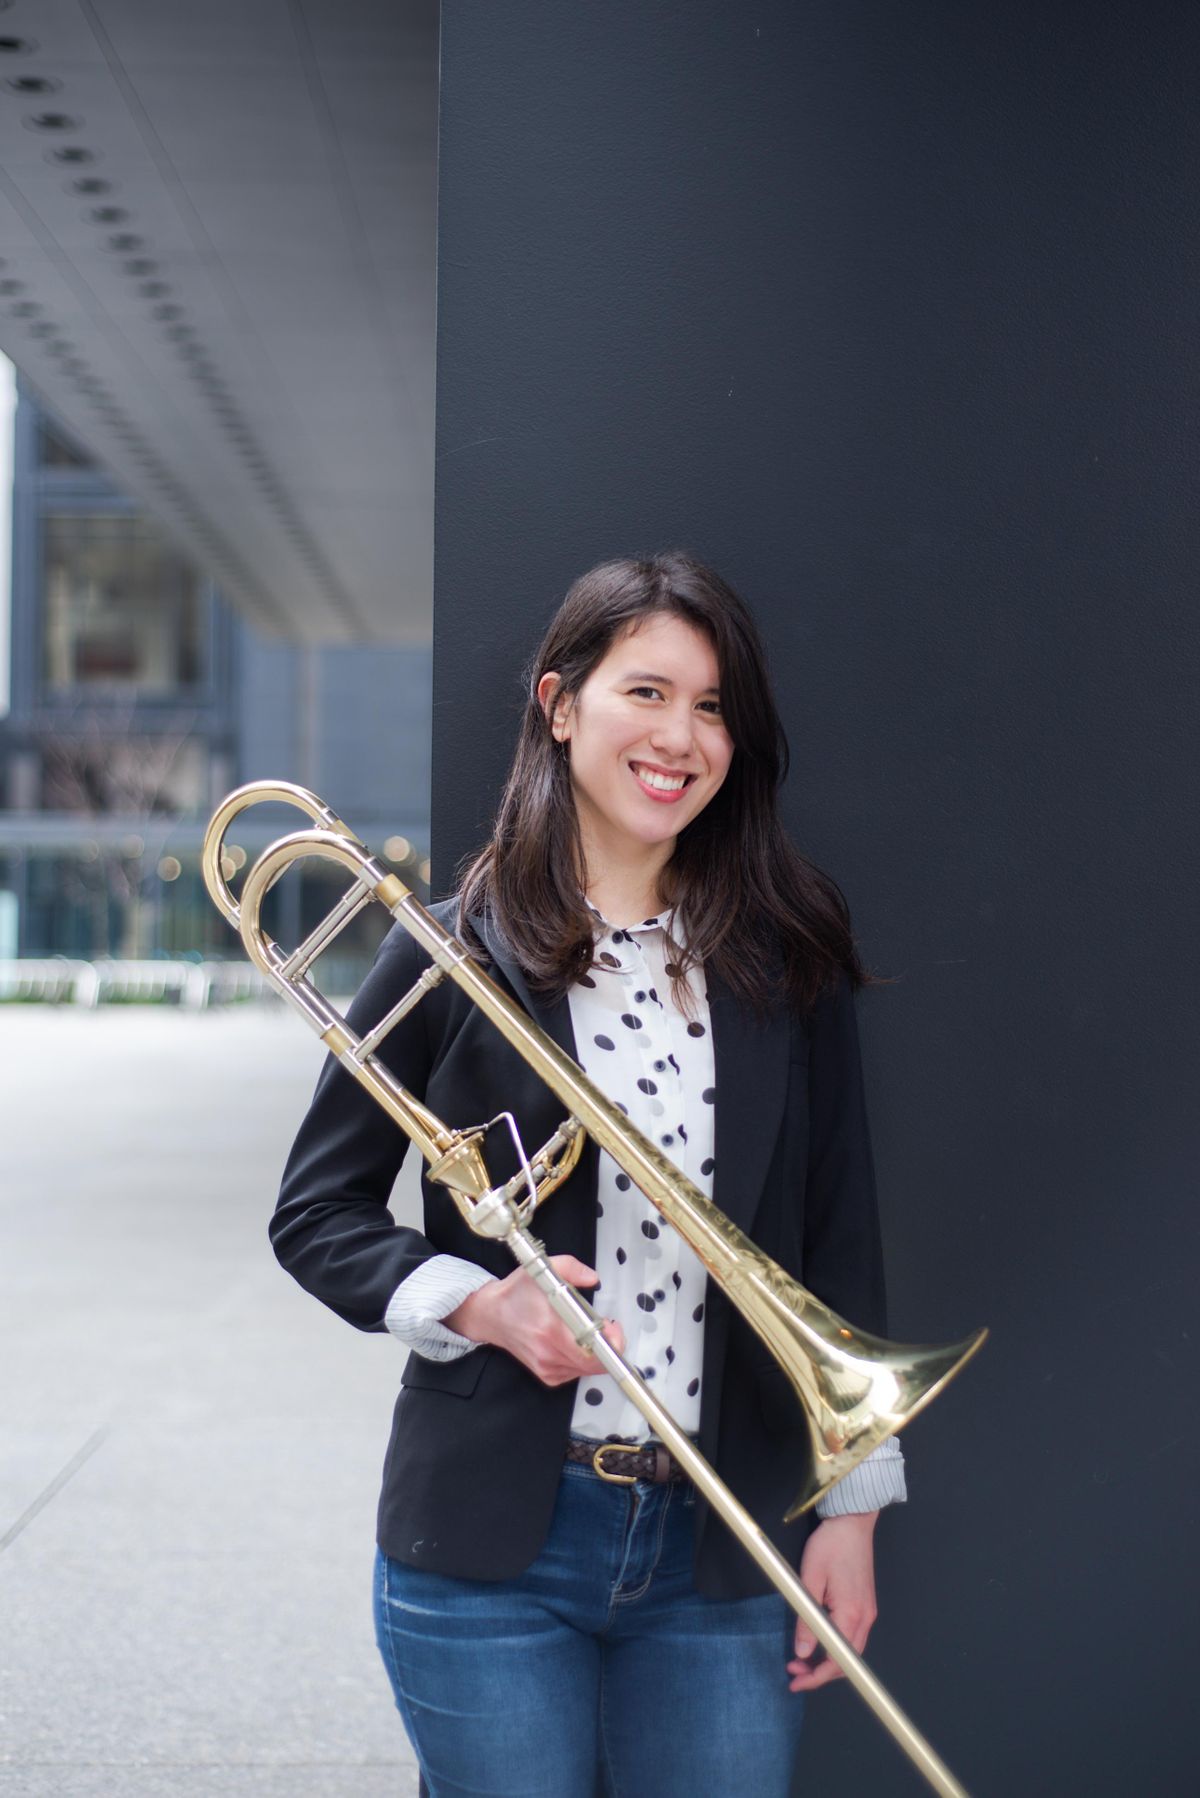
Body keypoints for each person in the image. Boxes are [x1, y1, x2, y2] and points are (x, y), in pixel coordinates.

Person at [271, 551, 906, 1797]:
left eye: (714, 707)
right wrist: (475, 1301)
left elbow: (840, 1238)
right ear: (561, 706)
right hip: (493, 1539)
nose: (682, 736)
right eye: (648, 693)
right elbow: (317, 1210)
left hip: (721, 1542)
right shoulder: (454, 946)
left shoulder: (781, 961)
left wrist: (855, 1510)